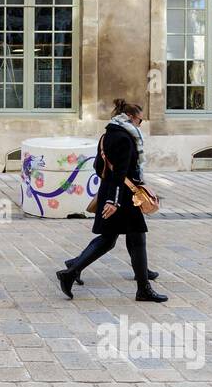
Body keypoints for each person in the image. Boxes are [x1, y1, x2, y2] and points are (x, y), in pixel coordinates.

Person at [56, 98, 167, 303]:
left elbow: (100, 167)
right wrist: (113, 201)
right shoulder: (125, 139)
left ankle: (72, 269)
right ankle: (142, 288)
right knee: (133, 238)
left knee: (114, 239)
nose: (140, 125)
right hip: (123, 196)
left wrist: (109, 192)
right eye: (140, 121)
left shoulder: (107, 135)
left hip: (112, 190)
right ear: (131, 118)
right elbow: (121, 172)